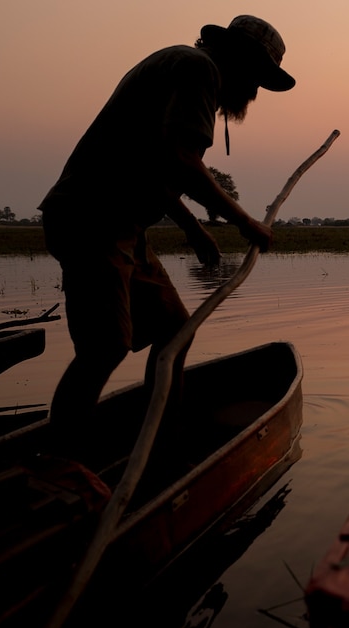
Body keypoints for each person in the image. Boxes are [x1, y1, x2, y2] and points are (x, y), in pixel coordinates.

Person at [37, 15, 294, 433]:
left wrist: (193, 229)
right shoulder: (199, 69)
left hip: (121, 226)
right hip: (91, 219)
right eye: (257, 78)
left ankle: (162, 438)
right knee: (104, 348)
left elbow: (154, 165)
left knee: (177, 332)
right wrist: (246, 222)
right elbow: (180, 159)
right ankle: (58, 461)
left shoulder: (185, 67)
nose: (254, 91)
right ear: (239, 59)